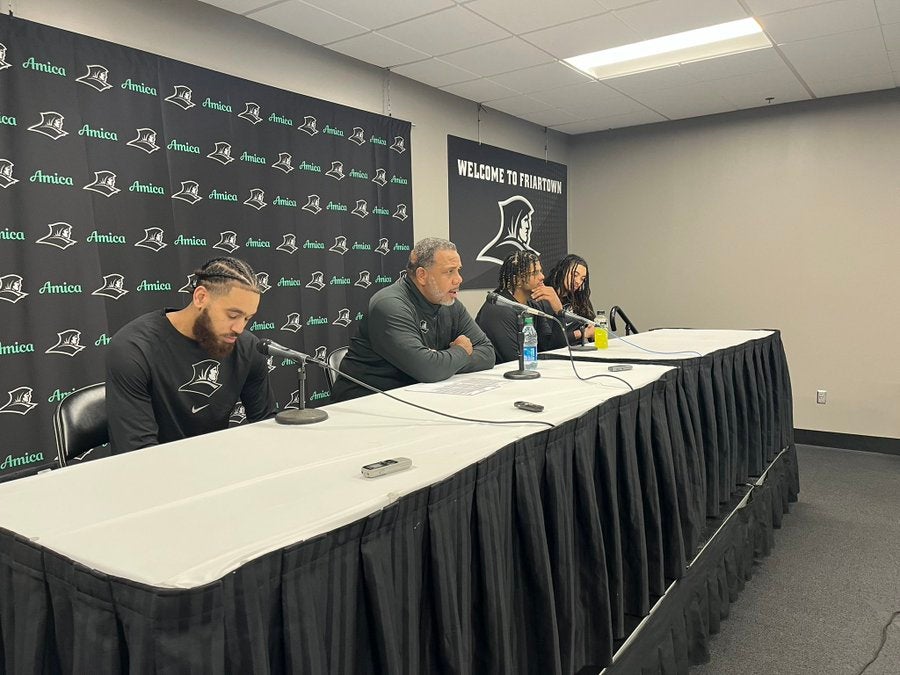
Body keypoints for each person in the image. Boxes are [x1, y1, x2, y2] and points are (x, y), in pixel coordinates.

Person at [106, 256, 276, 454]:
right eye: (232, 315)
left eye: (247, 318)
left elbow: (267, 424)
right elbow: (139, 453)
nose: (240, 328)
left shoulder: (248, 347)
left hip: (216, 464)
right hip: (156, 472)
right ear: (201, 297)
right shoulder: (134, 349)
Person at [332, 237, 495, 401]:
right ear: (422, 275)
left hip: (415, 398)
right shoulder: (389, 305)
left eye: (458, 270)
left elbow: (488, 353)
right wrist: (460, 352)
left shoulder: (450, 303)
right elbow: (429, 370)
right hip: (365, 403)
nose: (459, 279)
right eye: (449, 271)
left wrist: (443, 362)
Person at [475, 250, 568, 364]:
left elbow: (554, 348)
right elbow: (515, 361)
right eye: (535, 273)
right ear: (517, 280)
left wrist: (559, 311)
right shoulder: (499, 309)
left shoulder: (532, 306)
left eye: (541, 271)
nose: (542, 277)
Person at [544, 254, 596, 344]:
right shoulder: (546, 297)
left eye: (582, 279)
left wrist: (594, 333)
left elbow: (594, 328)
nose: (578, 281)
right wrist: (581, 333)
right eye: (575, 275)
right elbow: (550, 342)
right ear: (562, 271)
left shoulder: (581, 299)